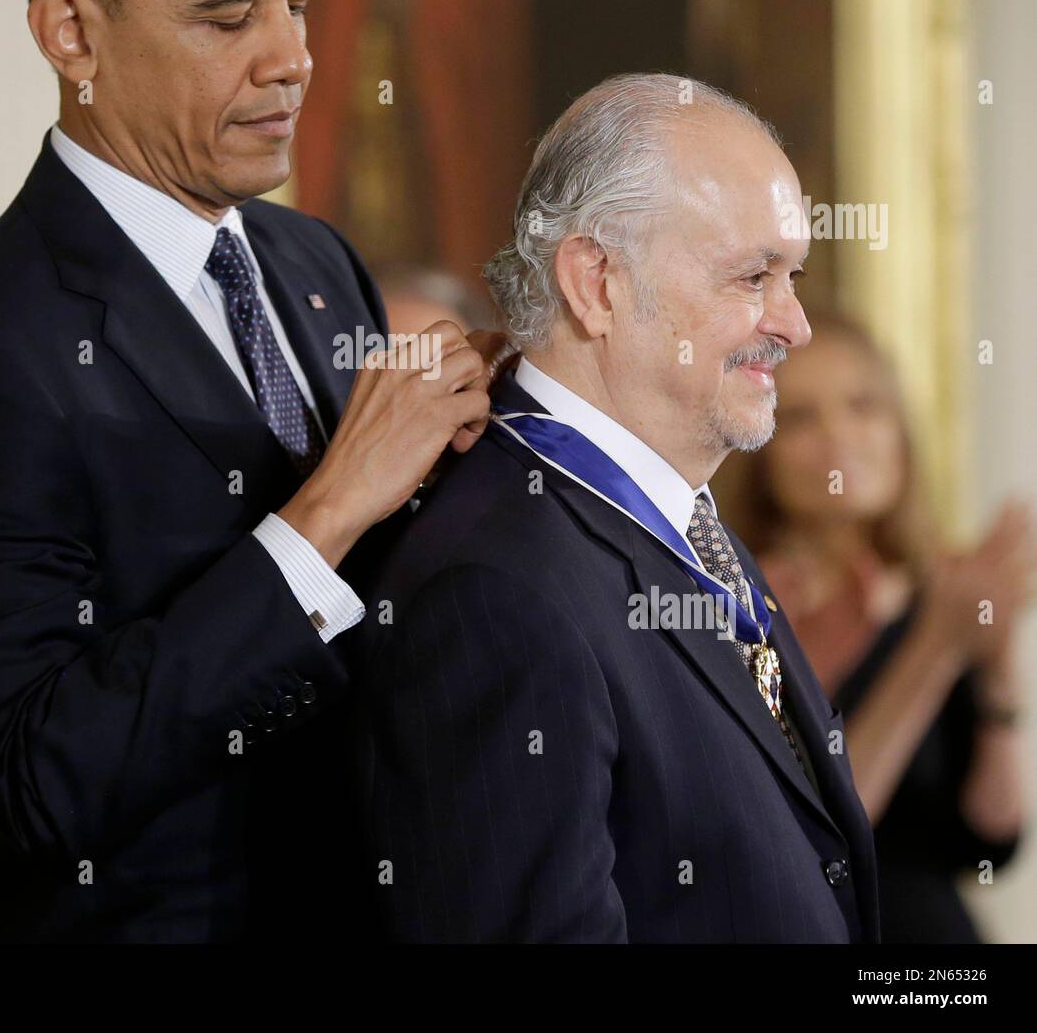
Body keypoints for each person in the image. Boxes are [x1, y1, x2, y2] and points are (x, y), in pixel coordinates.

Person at [0, 0, 503, 944]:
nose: (295, 59)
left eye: (299, 0)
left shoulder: (315, 263)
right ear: (71, 34)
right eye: (229, 18)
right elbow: (38, 774)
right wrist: (326, 514)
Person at [356, 73, 881, 942]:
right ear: (595, 282)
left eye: (793, 275)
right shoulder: (496, 591)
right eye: (753, 275)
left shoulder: (674, 518)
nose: (795, 324)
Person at [737, 308, 1032, 942]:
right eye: (803, 417)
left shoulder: (941, 595)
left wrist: (997, 667)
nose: (840, 437)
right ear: (760, 448)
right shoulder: (735, 609)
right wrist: (936, 649)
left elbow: (989, 842)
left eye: (864, 406)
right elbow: (808, 843)